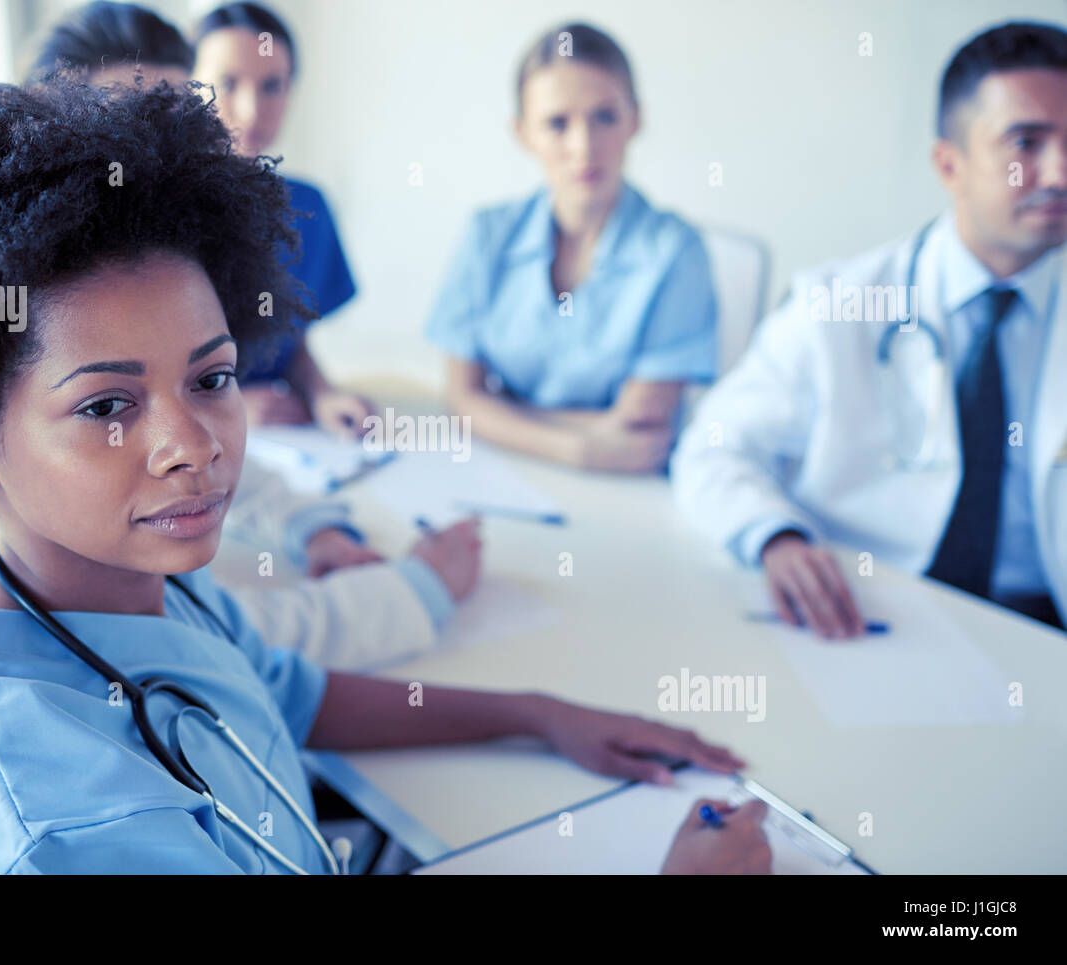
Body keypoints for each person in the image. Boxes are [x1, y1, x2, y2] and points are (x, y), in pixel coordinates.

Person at [0, 78, 768, 873]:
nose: (193, 445)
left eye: (211, 378)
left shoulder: (115, 578)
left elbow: (278, 690)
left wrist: (540, 712)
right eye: (106, 407)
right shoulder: (63, 831)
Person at [27, 0, 479, 669]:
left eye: (174, 132)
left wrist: (313, 526)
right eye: (121, 137)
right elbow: (191, 643)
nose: (154, 168)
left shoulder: (151, 272)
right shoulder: (36, 338)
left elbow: (192, 456)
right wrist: (415, 592)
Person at [672, 21, 1067, 636]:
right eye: (1026, 143)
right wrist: (776, 537)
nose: (1059, 173)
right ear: (949, 164)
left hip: (1043, 633)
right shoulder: (837, 304)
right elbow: (712, 448)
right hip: (875, 610)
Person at [426, 22, 718, 473]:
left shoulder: (677, 252)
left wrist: (498, 409)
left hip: (630, 497)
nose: (583, 147)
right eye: (557, 123)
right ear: (523, 134)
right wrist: (581, 446)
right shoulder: (487, 235)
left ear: (635, 119)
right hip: (502, 471)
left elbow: (640, 432)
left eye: (604, 116)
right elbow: (460, 399)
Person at [192, 1, 373, 436]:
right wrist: (223, 405)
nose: (252, 110)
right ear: (187, 86)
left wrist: (321, 393)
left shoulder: (307, 208)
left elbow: (287, 343)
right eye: (228, 82)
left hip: (282, 444)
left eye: (272, 85)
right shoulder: (149, 211)